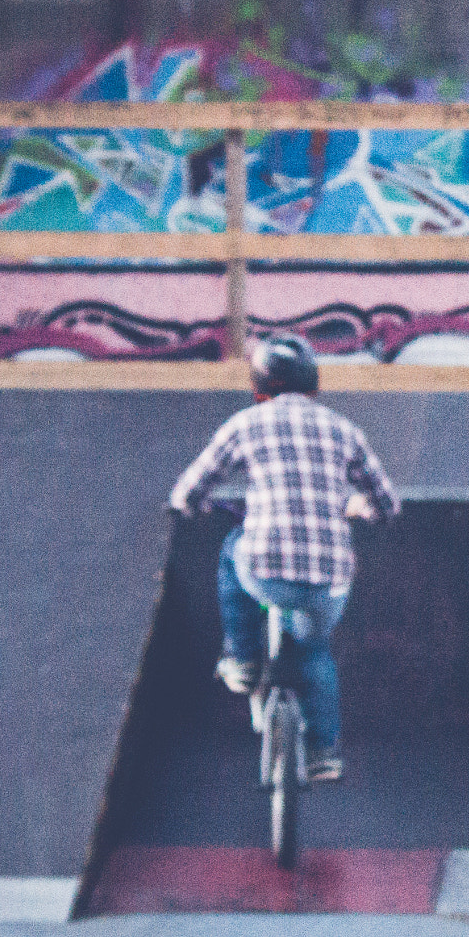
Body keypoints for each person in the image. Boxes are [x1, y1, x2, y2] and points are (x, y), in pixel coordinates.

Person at [169, 333, 400, 783]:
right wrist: (365, 509)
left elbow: (189, 490)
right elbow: (387, 503)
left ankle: (244, 657)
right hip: (328, 580)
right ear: (313, 385)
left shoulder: (245, 424)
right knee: (314, 653)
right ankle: (323, 752)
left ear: (259, 387)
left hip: (264, 568)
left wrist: (193, 507)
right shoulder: (344, 429)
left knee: (233, 550)